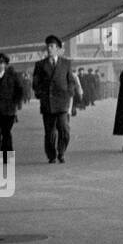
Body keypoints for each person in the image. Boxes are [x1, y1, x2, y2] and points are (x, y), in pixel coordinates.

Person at [31, 35, 82, 164]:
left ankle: (61, 152)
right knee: (50, 132)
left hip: (62, 103)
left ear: (58, 49)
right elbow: (36, 83)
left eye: (52, 46)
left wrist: (69, 92)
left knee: (64, 129)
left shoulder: (66, 63)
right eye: (48, 46)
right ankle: (52, 155)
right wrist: (41, 94)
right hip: (47, 103)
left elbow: (70, 81)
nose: (49, 49)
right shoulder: (40, 65)